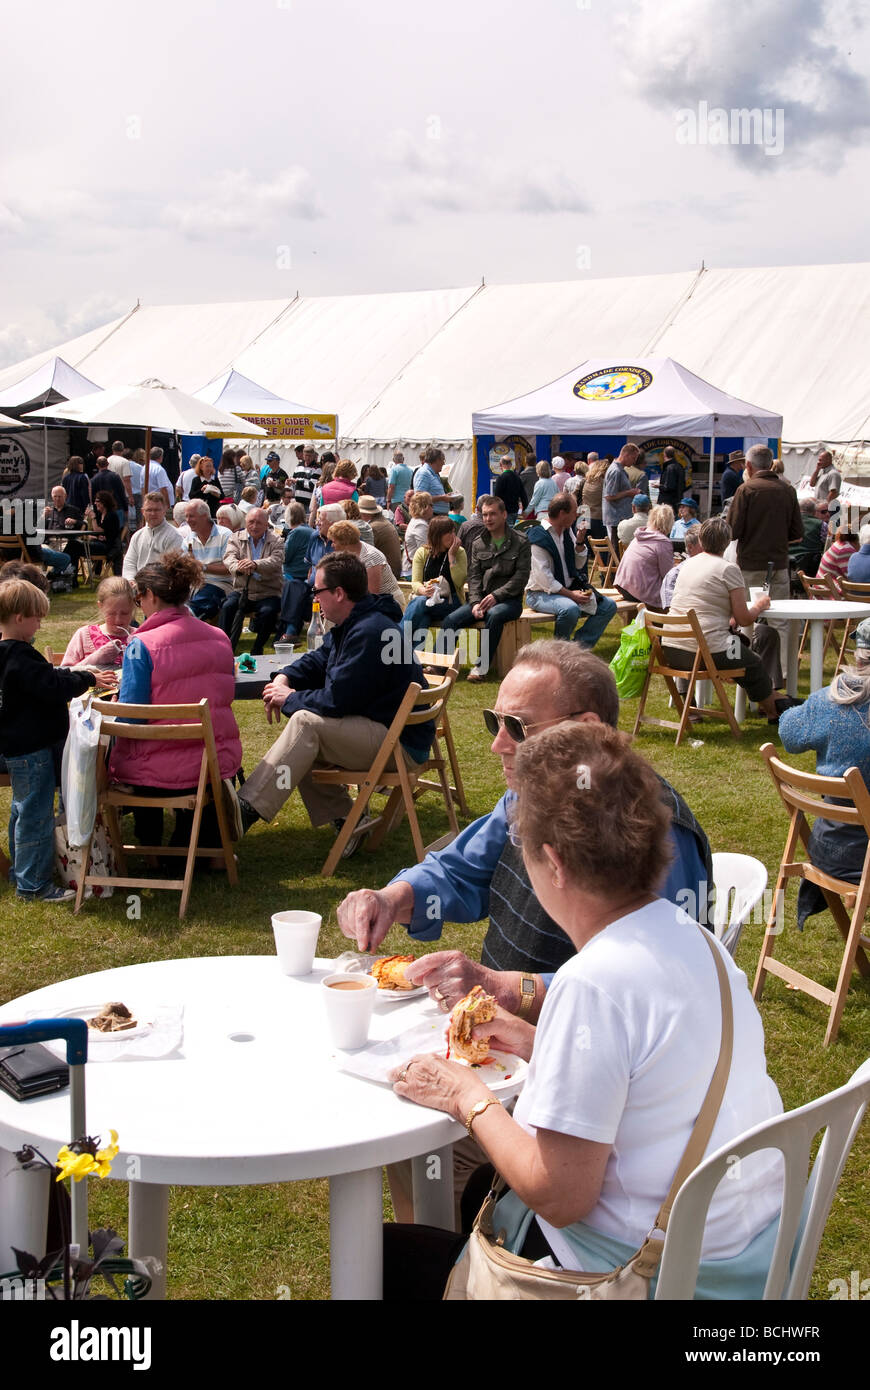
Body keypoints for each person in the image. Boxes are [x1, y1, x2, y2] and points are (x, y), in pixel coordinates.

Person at [385, 721, 784, 1300]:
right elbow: (654, 1075)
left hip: (650, 1278)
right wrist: (533, 1040)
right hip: (746, 1263)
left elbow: (561, 1196)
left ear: (556, 862)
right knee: (475, 1198)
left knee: (385, 1258)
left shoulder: (592, 983)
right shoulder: (697, 940)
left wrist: (463, 1096)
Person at [337, 641, 714, 998]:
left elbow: (654, 981)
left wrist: (510, 990)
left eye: (517, 726)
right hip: (506, 1036)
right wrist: (392, 899)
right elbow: (461, 872)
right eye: (494, 722)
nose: (497, 745)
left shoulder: (656, 832)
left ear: (586, 727)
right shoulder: (530, 793)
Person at [232, 552, 434, 850]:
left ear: (339, 593)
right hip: (387, 729)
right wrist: (285, 676)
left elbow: (337, 701)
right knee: (303, 736)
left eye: (317, 591)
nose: (314, 598)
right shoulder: (358, 622)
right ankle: (348, 817)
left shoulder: (369, 631)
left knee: (305, 724)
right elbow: (318, 659)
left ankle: (244, 810)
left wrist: (290, 697)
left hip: (400, 745)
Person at [112, 552, 241, 855]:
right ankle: (198, 846)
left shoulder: (141, 645)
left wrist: (106, 713)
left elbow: (132, 718)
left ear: (151, 597)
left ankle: (151, 850)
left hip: (158, 772)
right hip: (212, 764)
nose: (138, 605)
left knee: (101, 757)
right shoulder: (220, 637)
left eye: (138, 597)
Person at [0, 579, 112, 902]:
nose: (40, 624)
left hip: (12, 749)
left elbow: (48, 676)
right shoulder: (21, 657)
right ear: (20, 617)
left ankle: (20, 872)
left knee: (22, 812)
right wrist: (88, 677)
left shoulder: (8, 655)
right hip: (32, 749)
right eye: (37, 618)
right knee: (35, 816)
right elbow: (52, 683)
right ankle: (34, 884)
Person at [779, 619, 870, 929]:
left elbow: (789, 734)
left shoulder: (829, 700)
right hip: (862, 859)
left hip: (827, 848)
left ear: (858, 656)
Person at [663, 516, 783, 720]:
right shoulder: (728, 568)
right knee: (752, 662)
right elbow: (744, 619)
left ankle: (774, 702)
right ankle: (774, 710)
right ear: (728, 542)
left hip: (671, 649)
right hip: (706, 651)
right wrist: (759, 605)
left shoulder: (687, 565)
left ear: (700, 539)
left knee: (740, 651)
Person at [729, 444, 803, 671]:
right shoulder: (788, 490)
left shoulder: (746, 490)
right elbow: (797, 533)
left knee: (745, 617)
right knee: (779, 620)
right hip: (778, 564)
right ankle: (779, 671)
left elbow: (732, 530)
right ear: (771, 464)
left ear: (748, 466)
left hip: (750, 563)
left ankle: (743, 666)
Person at [441, 496, 531, 682]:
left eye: (492, 514)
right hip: (480, 600)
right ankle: (439, 665)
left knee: (495, 615)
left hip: (509, 601)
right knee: (450, 620)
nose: (488, 519)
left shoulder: (521, 541)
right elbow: (473, 577)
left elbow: (521, 577)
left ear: (504, 515)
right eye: (484, 515)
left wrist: (496, 596)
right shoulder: (477, 543)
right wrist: (474, 602)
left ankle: (480, 667)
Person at [525, 493, 616, 647]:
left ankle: (576, 649)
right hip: (539, 594)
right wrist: (571, 595)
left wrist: (580, 541)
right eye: (574, 512)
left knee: (608, 606)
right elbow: (544, 579)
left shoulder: (567, 531)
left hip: (566, 590)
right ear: (562, 514)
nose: (577, 516)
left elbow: (578, 565)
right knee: (570, 609)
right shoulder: (537, 537)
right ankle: (559, 652)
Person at [221, 507, 284, 654]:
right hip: (242, 590)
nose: (254, 526)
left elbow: (276, 560)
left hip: (268, 591)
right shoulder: (235, 537)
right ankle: (224, 646)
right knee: (228, 606)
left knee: (269, 611)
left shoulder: (277, 540)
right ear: (245, 522)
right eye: (251, 522)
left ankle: (257, 648)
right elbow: (229, 558)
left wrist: (255, 564)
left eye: (259, 523)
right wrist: (239, 566)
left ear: (266, 524)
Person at [402, 516, 467, 641]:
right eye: (449, 532)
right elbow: (415, 582)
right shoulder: (422, 552)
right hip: (427, 599)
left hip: (451, 601)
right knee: (423, 615)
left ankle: (398, 637)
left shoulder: (459, 552)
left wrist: (451, 557)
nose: (453, 535)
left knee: (420, 603)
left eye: (454, 531)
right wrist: (423, 590)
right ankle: (414, 655)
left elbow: (460, 582)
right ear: (437, 535)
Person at [328, 520, 406, 612]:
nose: (332, 545)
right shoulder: (347, 555)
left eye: (334, 542)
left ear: (344, 542)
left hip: (388, 604)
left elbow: (371, 595)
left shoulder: (370, 557)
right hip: (366, 601)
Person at [61, 576, 137, 669]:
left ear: (133, 607)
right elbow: (65, 675)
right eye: (111, 613)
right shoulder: (84, 635)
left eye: (124, 613)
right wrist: (97, 658)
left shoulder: (140, 637)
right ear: (100, 606)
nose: (118, 620)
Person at [180, 498, 234, 621]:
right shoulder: (188, 540)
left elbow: (230, 568)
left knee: (203, 600)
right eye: (186, 516)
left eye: (191, 516)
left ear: (204, 516)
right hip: (195, 585)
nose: (188, 520)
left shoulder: (225, 535)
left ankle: (186, 622)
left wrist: (202, 566)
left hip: (221, 584)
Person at [614, 503, 675, 608]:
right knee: (677, 595)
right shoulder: (662, 542)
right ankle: (663, 622)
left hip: (624, 585)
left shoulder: (641, 535)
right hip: (641, 591)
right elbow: (668, 575)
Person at [277, 501, 315, 644]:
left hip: (294, 576)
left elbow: (284, 557)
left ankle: (289, 630)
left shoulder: (296, 532)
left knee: (288, 586)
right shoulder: (310, 530)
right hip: (306, 577)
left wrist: (281, 541)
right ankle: (290, 631)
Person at [122, 492, 181, 581]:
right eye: (149, 510)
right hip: (137, 584)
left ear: (165, 510)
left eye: (157, 510)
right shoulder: (137, 536)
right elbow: (129, 563)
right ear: (143, 512)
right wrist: (130, 580)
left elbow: (172, 569)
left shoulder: (173, 536)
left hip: (161, 585)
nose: (153, 514)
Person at [603, 445, 641, 551]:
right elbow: (609, 495)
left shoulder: (620, 470)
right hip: (615, 518)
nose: (634, 462)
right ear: (626, 455)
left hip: (619, 517)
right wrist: (629, 492)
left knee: (617, 550)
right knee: (616, 551)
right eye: (633, 458)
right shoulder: (616, 471)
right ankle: (615, 568)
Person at [43, 486, 84, 581]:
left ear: (65, 496)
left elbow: (83, 524)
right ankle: (54, 576)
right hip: (50, 542)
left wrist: (74, 521)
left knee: (73, 547)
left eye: (60, 496)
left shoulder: (73, 510)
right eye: (55, 496)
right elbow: (38, 528)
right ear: (52, 497)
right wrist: (42, 517)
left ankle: (57, 577)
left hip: (66, 541)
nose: (57, 499)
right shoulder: (49, 511)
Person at [358, 494, 402, 577]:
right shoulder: (382, 522)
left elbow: (364, 554)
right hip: (392, 570)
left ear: (364, 513)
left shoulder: (374, 528)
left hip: (387, 574)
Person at [660, 525, 702, 608]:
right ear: (690, 547)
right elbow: (670, 609)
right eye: (703, 544)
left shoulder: (714, 569)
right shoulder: (675, 574)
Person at [87, 490, 125, 576]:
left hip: (109, 547)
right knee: (77, 545)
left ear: (104, 502)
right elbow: (102, 534)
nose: (95, 503)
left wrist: (93, 517)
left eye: (97, 501)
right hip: (103, 544)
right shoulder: (101, 515)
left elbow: (98, 530)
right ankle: (96, 571)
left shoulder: (111, 515)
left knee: (75, 546)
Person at [413, 447, 457, 516]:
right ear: (437, 460)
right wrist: (442, 498)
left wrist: (445, 496)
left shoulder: (433, 474)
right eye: (443, 460)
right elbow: (419, 497)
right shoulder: (424, 473)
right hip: (432, 516)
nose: (443, 463)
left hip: (437, 515)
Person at [789, 498, 825, 578]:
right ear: (814, 511)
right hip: (809, 565)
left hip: (786, 560)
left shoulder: (788, 520)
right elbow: (826, 544)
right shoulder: (821, 524)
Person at [401, 492, 434, 576]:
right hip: (413, 571)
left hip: (412, 568)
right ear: (425, 507)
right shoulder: (420, 525)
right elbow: (426, 551)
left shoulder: (416, 521)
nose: (433, 508)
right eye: (431, 505)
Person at [492, 458, 527, 524]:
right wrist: (524, 508)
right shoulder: (517, 478)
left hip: (504, 512)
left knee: (506, 531)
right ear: (511, 465)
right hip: (515, 511)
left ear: (500, 465)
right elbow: (523, 495)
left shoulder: (501, 478)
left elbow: (497, 497)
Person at [581, 455, 608, 540]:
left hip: (584, 516)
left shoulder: (587, 480)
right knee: (601, 548)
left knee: (585, 548)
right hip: (598, 517)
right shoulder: (604, 482)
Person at [656, 445, 686, 512]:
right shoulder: (679, 466)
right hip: (677, 501)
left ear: (664, 454)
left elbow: (669, 487)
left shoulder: (670, 468)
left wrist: (659, 486)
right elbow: (683, 485)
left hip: (668, 503)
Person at [106, 439, 134, 508]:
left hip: (108, 493)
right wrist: (130, 496)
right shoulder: (125, 462)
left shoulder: (107, 460)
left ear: (112, 449)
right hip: (121, 494)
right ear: (123, 450)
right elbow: (126, 480)